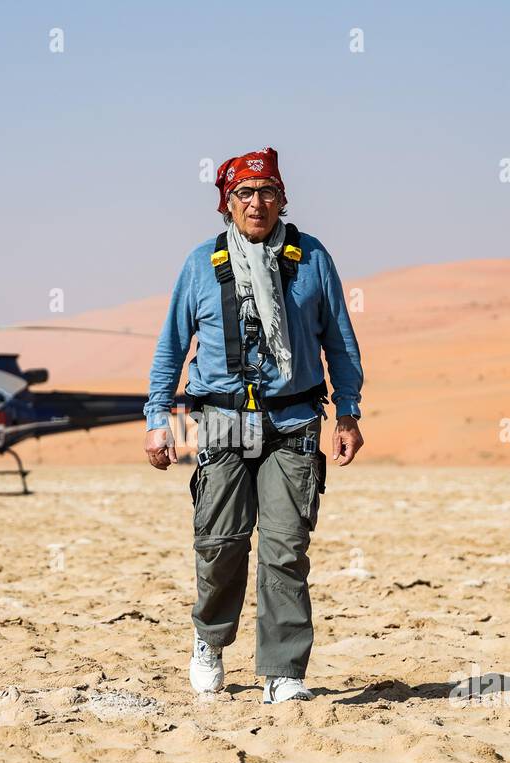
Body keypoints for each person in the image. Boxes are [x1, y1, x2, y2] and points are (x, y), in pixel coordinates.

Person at [143, 147, 365, 703]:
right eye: (244, 193)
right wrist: (157, 419)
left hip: (293, 422)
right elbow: (171, 348)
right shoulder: (200, 265)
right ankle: (210, 640)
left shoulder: (312, 258)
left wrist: (350, 412)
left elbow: (338, 340)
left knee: (285, 550)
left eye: (267, 192)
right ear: (227, 203)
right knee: (220, 546)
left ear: (282, 198)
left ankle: (284, 672)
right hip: (221, 423)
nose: (257, 203)